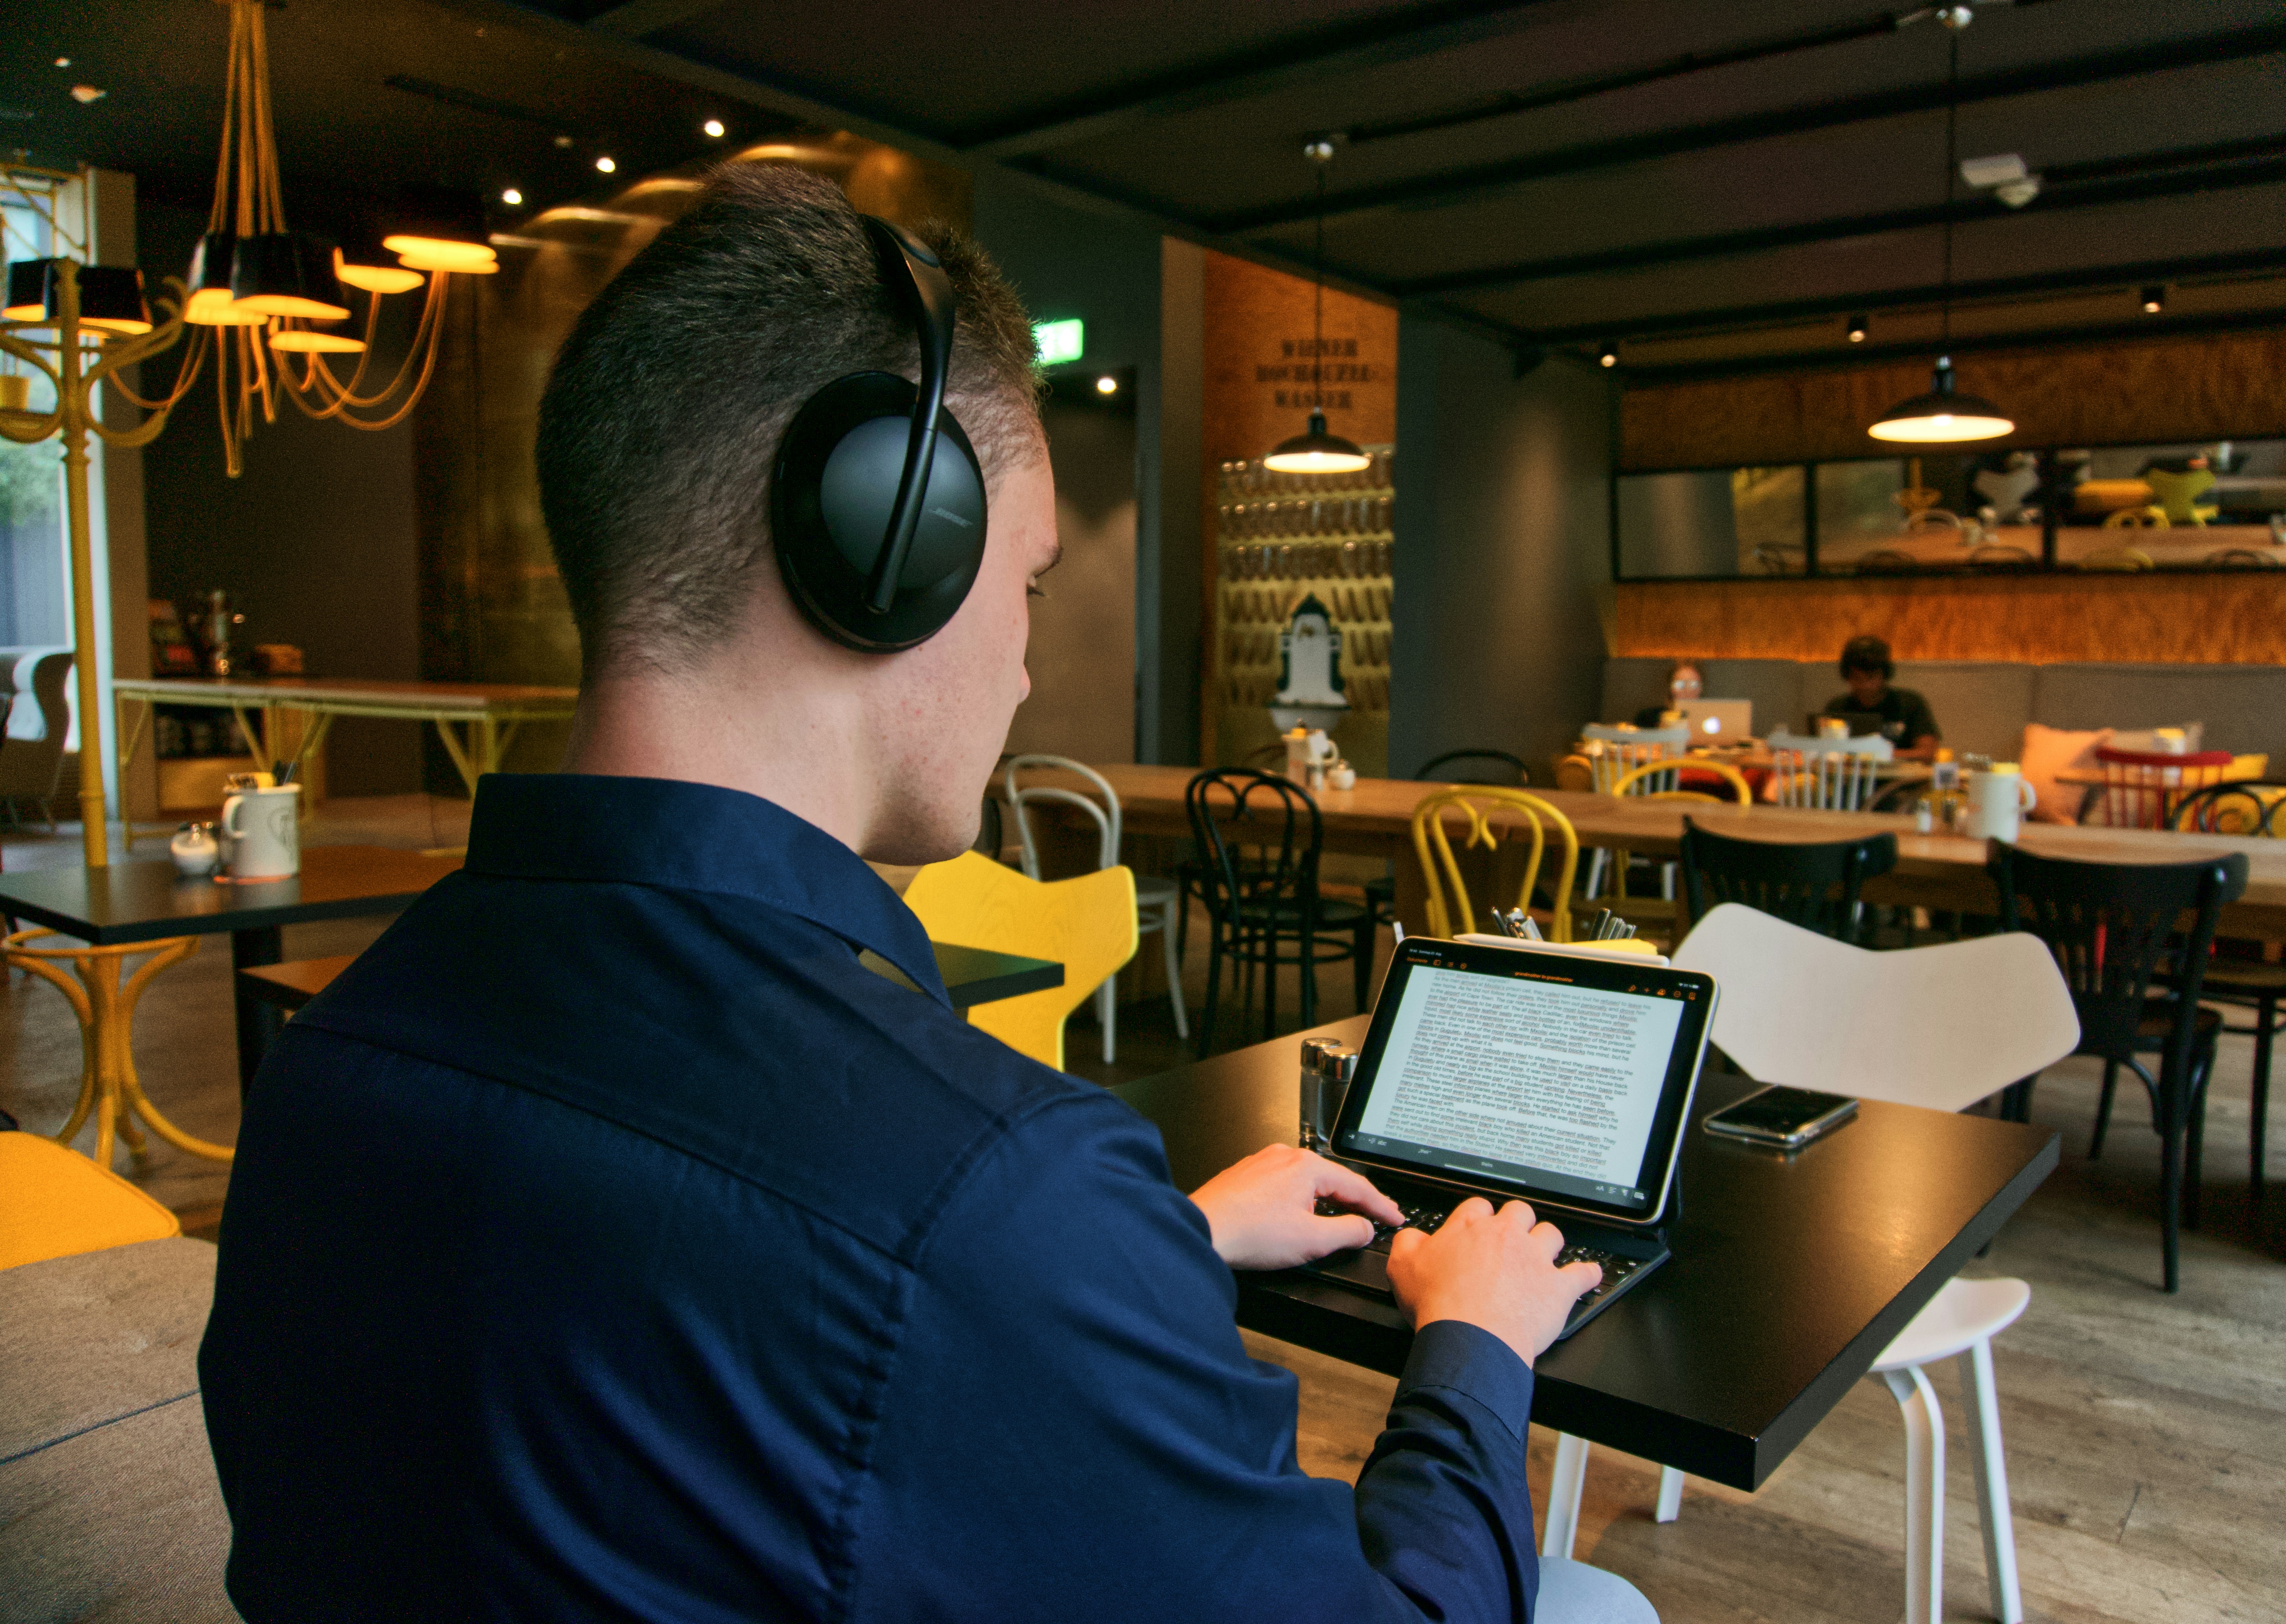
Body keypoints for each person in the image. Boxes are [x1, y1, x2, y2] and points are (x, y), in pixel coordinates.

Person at [197, 164, 1605, 1623]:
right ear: (884, 540)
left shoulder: (331, 1062)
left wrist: (1142, 1257)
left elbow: (715, 1332)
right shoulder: (999, 1189)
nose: (1024, 661)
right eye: (1032, 583)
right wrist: (1475, 1344)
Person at [1823, 635, 1941, 760]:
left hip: (1901, 778)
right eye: (1857, 678)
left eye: (1871, 677)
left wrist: (1873, 756)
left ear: (1884, 674)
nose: (1865, 685)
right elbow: (1826, 753)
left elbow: (1927, 753)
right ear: (1847, 676)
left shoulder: (1909, 703)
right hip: (1852, 778)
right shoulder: (1837, 708)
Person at [1631, 660, 1702, 727]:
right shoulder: (1647, 718)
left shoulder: (1709, 720)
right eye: (1680, 685)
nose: (1687, 691)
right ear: (1670, 688)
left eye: (1694, 685)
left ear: (1701, 689)